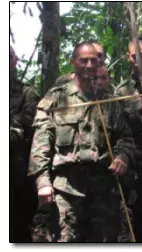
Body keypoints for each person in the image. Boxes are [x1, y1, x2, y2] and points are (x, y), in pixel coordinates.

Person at [28, 42, 135, 242]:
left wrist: (122, 156)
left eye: (94, 60)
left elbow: (125, 138)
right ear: (73, 62)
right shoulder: (56, 99)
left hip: (103, 188)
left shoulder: (109, 101)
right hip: (67, 190)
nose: (89, 65)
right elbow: (41, 142)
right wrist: (42, 181)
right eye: (83, 60)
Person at [114, 37, 142, 242]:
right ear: (128, 58)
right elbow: (120, 132)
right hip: (139, 165)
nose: (139, 61)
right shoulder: (122, 91)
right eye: (135, 56)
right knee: (141, 220)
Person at [10, 46, 40, 242]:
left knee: (18, 229)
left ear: (15, 61)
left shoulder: (27, 93)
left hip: (16, 174)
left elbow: (22, 127)